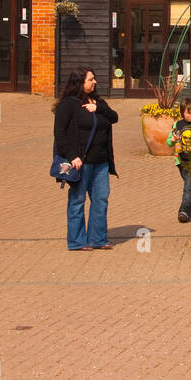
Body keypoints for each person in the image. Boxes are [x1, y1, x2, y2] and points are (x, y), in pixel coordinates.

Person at [53, 68, 119, 251]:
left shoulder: (98, 102)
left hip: (101, 162)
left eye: (94, 79)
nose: (94, 82)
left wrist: (99, 108)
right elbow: (60, 133)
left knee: (101, 199)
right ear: (79, 82)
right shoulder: (68, 105)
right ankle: (77, 241)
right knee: (77, 200)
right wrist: (72, 156)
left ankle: (98, 239)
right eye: (90, 79)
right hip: (80, 163)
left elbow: (114, 117)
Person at [167, 97, 191, 222]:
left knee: (188, 186)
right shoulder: (177, 125)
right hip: (181, 161)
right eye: (189, 112)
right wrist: (172, 141)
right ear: (183, 112)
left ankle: (184, 210)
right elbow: (169, 142)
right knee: (190, 185)